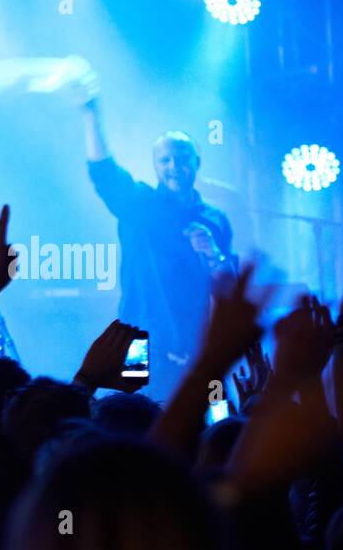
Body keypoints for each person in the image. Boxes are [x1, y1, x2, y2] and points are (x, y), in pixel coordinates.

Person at [78, 75, 235, 380]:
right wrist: (90, 113)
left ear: (197, 161)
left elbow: (229, 287)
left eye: (181, 158)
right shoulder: (140, 204)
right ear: (155, 165)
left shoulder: (215, 219)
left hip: (195, 339)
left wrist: (213, 254)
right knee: (136, 414)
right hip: (138, 336)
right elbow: (104, 172)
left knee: (201, 418)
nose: (174, 166)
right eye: (165, 160)